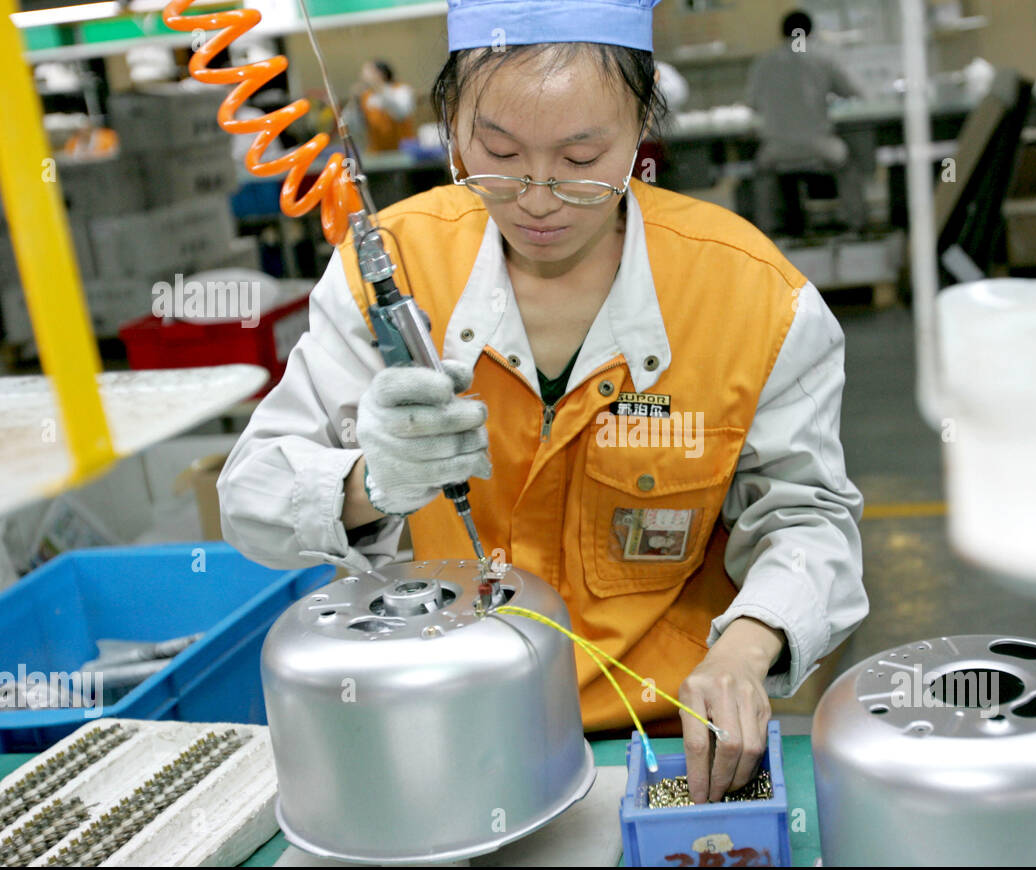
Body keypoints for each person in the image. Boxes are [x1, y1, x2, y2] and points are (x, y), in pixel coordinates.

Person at [217, 0, 866, 805]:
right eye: (498, 153)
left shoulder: (753, 298)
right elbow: (248, 499)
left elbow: (808, 517)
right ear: (452, 127)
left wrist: (746, 646)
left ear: (643, 127)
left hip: (661, 743)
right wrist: (368, 482)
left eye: (582, 155)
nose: (539, 197)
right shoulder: (386, 271)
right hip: (435, 731)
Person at [746, 9, 868, 236]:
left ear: (782, 33)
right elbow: (856, 92)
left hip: (776, 148)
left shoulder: (764, 62)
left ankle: (766, 231)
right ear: (810, 31)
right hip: (819, 145)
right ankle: (856, 224)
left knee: (762, 174)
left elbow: (752, 103)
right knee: (849, 167)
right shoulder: (822, 58)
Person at [352, 59, 416, 152]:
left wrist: (379, 88)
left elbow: (401, 114)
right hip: (377, 152)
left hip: (402, 150)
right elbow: (358, 127)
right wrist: (355, 102)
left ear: (380, 73)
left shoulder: (401, 90)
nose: (363, 76)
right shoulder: (366, 96)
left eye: (367, 72)